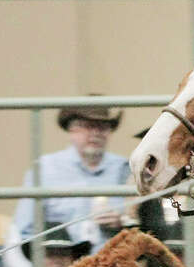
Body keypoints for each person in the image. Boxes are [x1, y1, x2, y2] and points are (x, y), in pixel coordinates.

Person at [12, 102, 135, 256]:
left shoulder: (126, 168)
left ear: (110, 132)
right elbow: (25, 229)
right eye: (88, 126)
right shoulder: (44, 168)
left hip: (113, 265)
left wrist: (121, 223)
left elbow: (140, 224)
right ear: (71, 130)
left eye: (103, 127)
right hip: (62, 266)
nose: (95, 133)